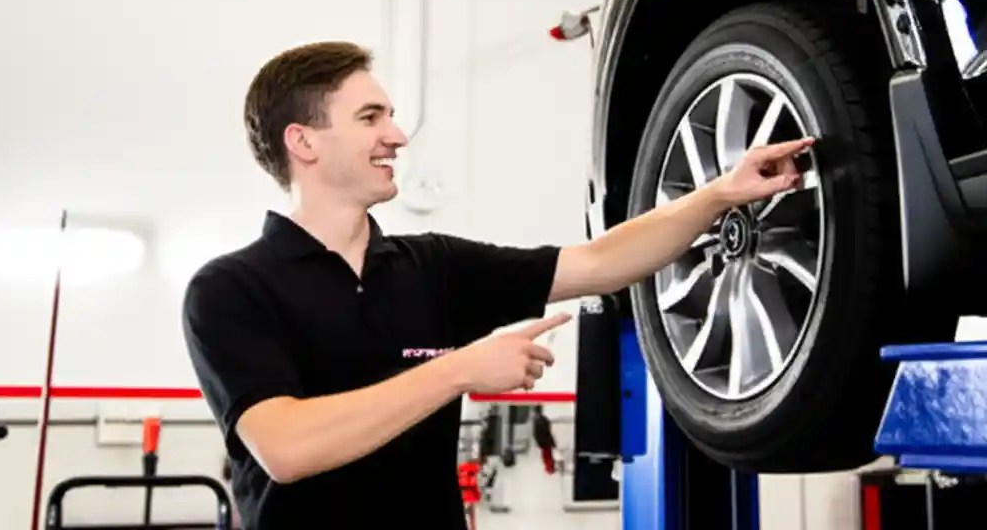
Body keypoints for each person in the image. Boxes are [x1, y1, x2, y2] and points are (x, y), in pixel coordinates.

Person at [180, 40, 813, 529]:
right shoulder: (230, 289)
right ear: (304, 142)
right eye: (371, 117)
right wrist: (459, 370)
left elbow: (598, 262)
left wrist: (720, 193)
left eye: (392, 117)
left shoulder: (432, 267)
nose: (396, 136)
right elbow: (287, 448)